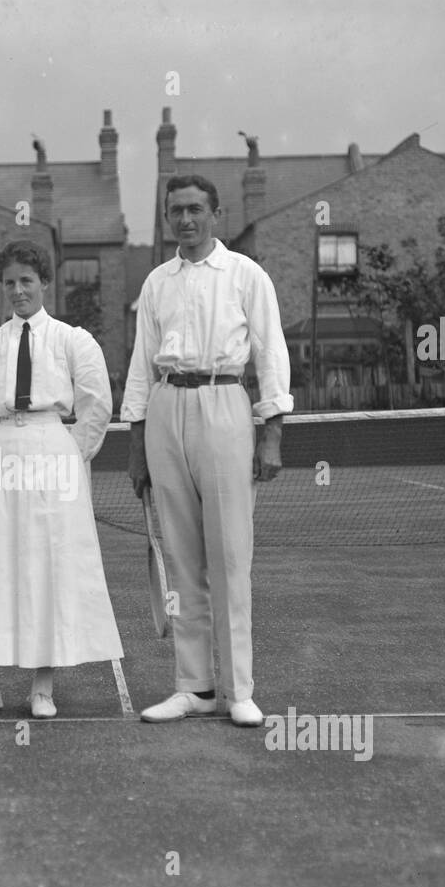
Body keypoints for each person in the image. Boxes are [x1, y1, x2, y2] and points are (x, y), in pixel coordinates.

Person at [123, 174, 292, 727]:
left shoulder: (246, 274)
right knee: (181, 560)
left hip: (224, 403)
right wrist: (137, 446)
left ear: (216, 214)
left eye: (196, 209)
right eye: (176, 211)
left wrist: (272, 431)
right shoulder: (156, 282)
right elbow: (141, 365)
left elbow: (270, 353)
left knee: (229, 558)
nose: (186, 219)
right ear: (167, 217)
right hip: (166, 409)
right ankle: (194, 686)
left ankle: (238, 690)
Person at [0, 240, 123, 719]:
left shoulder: (73, 340)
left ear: (45, 282)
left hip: (53, 452)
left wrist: (69, 453)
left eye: (26, 280)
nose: (18, 291)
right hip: (2, 454)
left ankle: (42, 690)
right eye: (9, 283)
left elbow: (97, 405)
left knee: (47, 566)